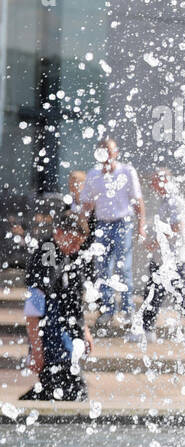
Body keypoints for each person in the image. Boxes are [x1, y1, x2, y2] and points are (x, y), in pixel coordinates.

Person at [21, 211, 95, 401]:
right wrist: (37, 350)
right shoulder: (47, 255)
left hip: (64, 343)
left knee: (62, 393)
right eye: (74, 242)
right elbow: (32, 311)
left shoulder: (66, 254)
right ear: (60, 232)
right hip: (52, 345)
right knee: (76, 393)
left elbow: (72, 299)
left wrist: (84, 328)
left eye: (80, 244)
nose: (76, 248)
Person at [79, 137, 146, 332]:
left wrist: (142, 224)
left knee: (123, 267)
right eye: (102, 150)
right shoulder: (93, 175)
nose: (106, 155)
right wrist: (81, 225)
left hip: (123, 223)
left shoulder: (127, 171)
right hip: (102, 224)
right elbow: (87, 203)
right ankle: (107, 310)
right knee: (102, 269)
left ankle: (127, 310)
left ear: (116, 153)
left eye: (109, 151)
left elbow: (137, 200)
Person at [141, 168, 185, 343]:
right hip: (163, 258)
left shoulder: (174, 201)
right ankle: (148, 331)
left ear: (164, 181)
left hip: (172, 260)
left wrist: (156, 242)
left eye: (155, 181)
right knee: (155, 294)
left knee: (179, 294)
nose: (152, 185)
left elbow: (177, 226)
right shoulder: (165, 201)